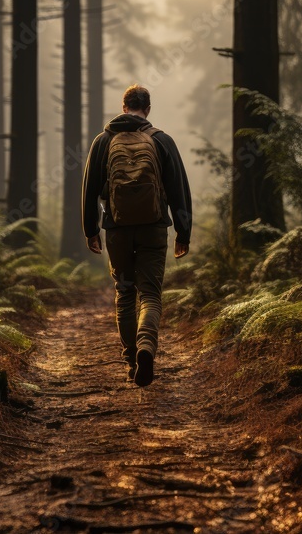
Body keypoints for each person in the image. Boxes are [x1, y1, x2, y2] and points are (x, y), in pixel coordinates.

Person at [82, 84, 192, 387]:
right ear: (148, 109)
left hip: (116, 229)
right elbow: (179, 189)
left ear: (123, 107)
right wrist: (183, 232)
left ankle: (132, 361)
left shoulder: (103, 141)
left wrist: (91, 230)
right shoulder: (161, 140)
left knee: (125, 292)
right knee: (151, 295)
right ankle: (146, 346)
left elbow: (90, 188)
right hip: (154, 228)